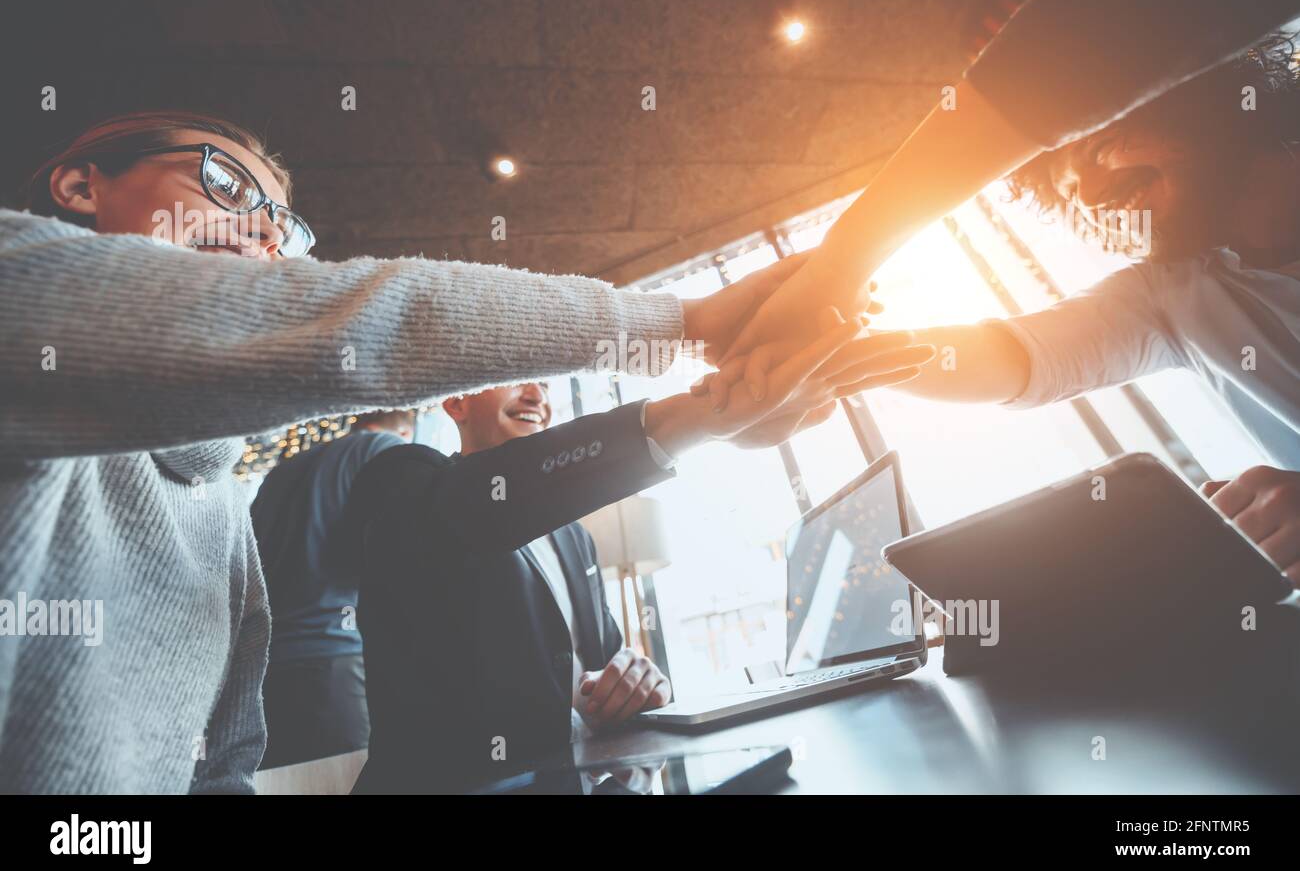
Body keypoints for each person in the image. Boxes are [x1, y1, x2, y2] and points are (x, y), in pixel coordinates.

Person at [0, 110, 928, 793]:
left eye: (285, 225)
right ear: (81, 183)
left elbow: (220, 766)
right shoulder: (17, 285)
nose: (263, 234)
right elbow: (344, 336)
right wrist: (683, 328)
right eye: (226, 183)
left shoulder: (220, 517)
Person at [708, 0, 1300, 582]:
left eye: (1095, 136)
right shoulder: (1172, 297)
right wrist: (830, 356)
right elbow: (1019, 357)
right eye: (1065, 188)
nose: (1091, 195)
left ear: (1197, 68)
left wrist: (837, 267)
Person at [345, 314, 932, 793]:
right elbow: (470, 512)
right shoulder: (403, 481)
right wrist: (700, 418)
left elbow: (604, 665)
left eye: (545, 383)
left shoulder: (573, 537)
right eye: (516, 375)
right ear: (457, 403)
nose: (536, 394)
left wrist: (639, 683)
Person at [252, 409, 415, 769]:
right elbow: (398, 557)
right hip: (334, 663)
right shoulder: (386, 451)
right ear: (404, 431)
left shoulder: (281, 471)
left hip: (266, 672)